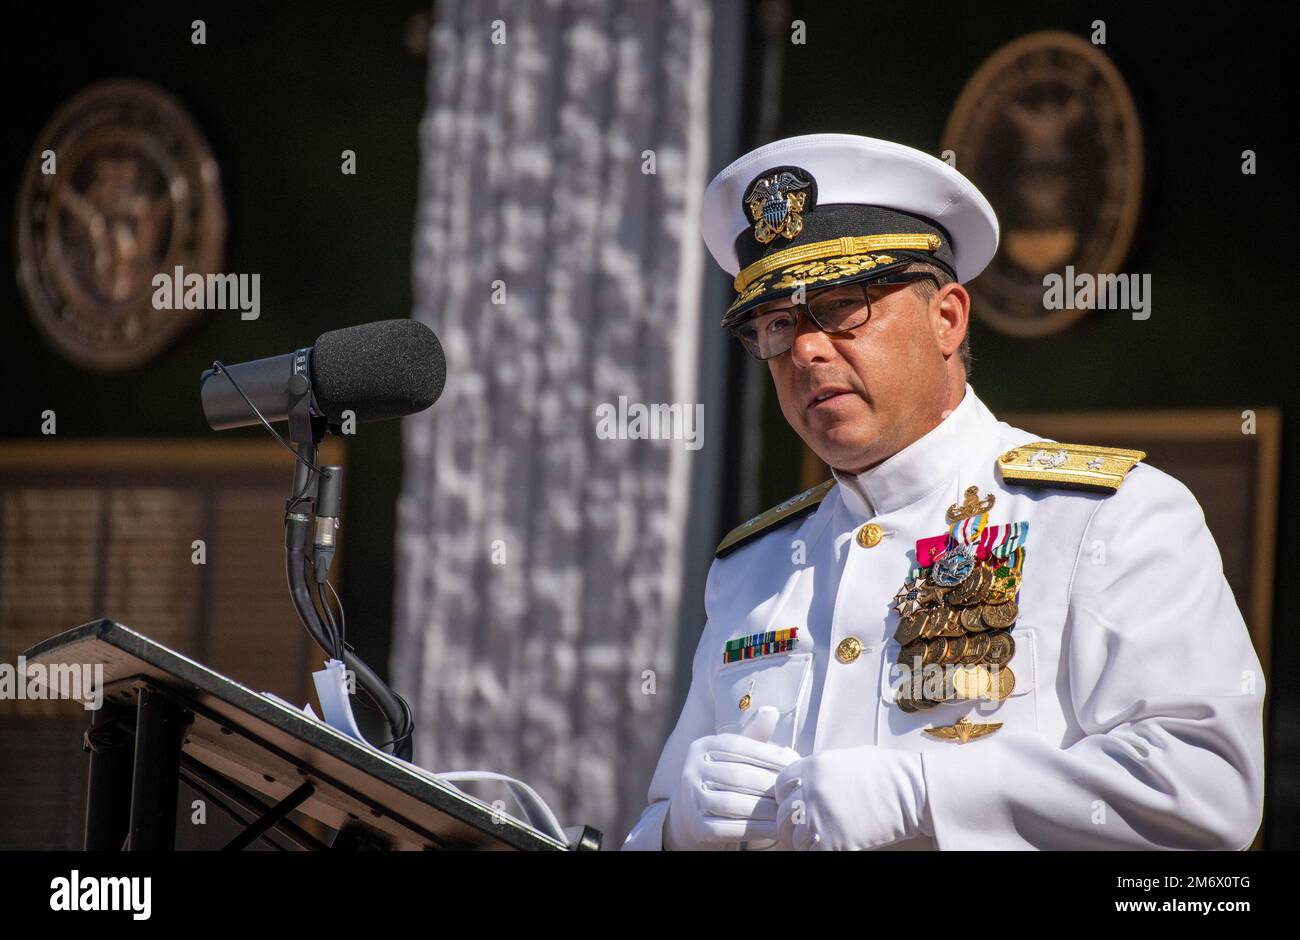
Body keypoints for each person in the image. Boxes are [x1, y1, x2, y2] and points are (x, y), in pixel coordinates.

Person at [622, 133, 1266, 850]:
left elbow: (1206, 793)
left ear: (947, 319)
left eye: (841, 305)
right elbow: (647, 828)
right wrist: (674, 832)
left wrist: (925, 793)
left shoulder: (1107, 517)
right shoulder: (752, 569)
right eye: (776, 325)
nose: (804, 349)